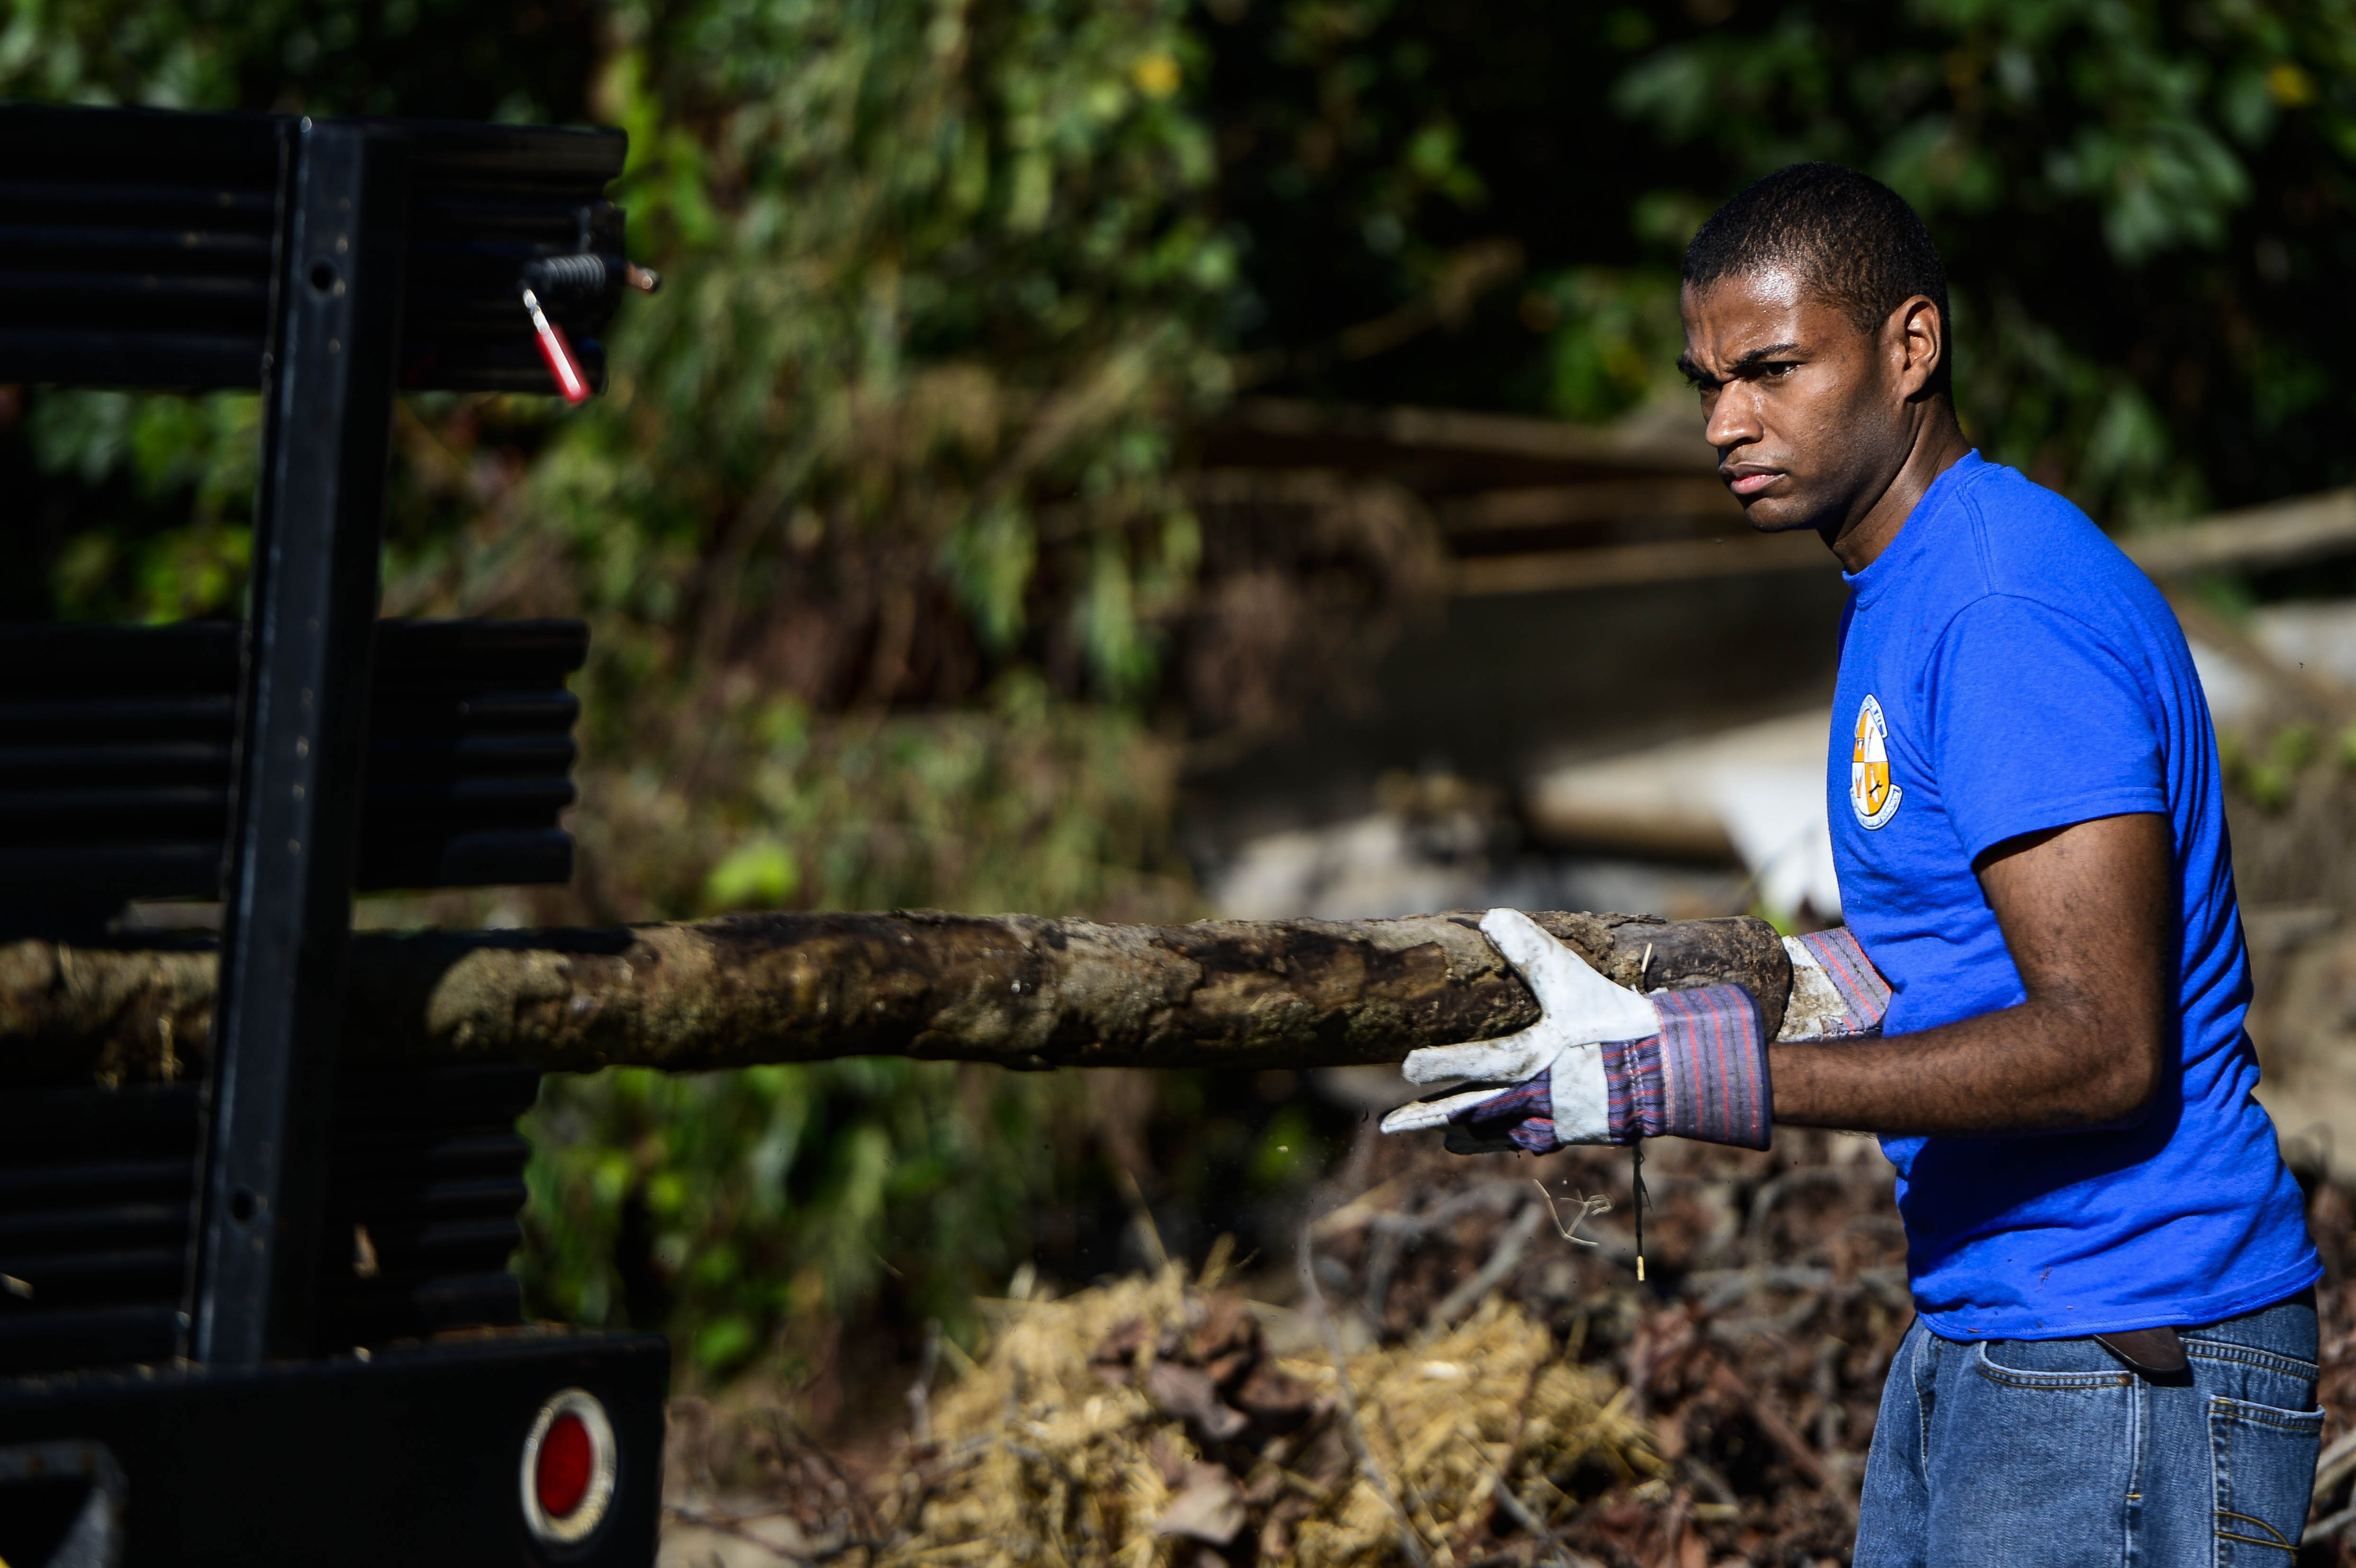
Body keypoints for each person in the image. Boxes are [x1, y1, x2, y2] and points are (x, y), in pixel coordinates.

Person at [1379, 163, 2324, 1565]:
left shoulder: (1999, 606)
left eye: (1770, 369)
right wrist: (1647, 1022)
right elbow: (1944, 955)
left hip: (2125, 1352)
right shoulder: (1904, 584)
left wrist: (1686, 1084)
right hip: (1996, 1323)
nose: (1724, 422)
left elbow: (2103, 1045)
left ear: (1910, 345)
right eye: (1706, 382)